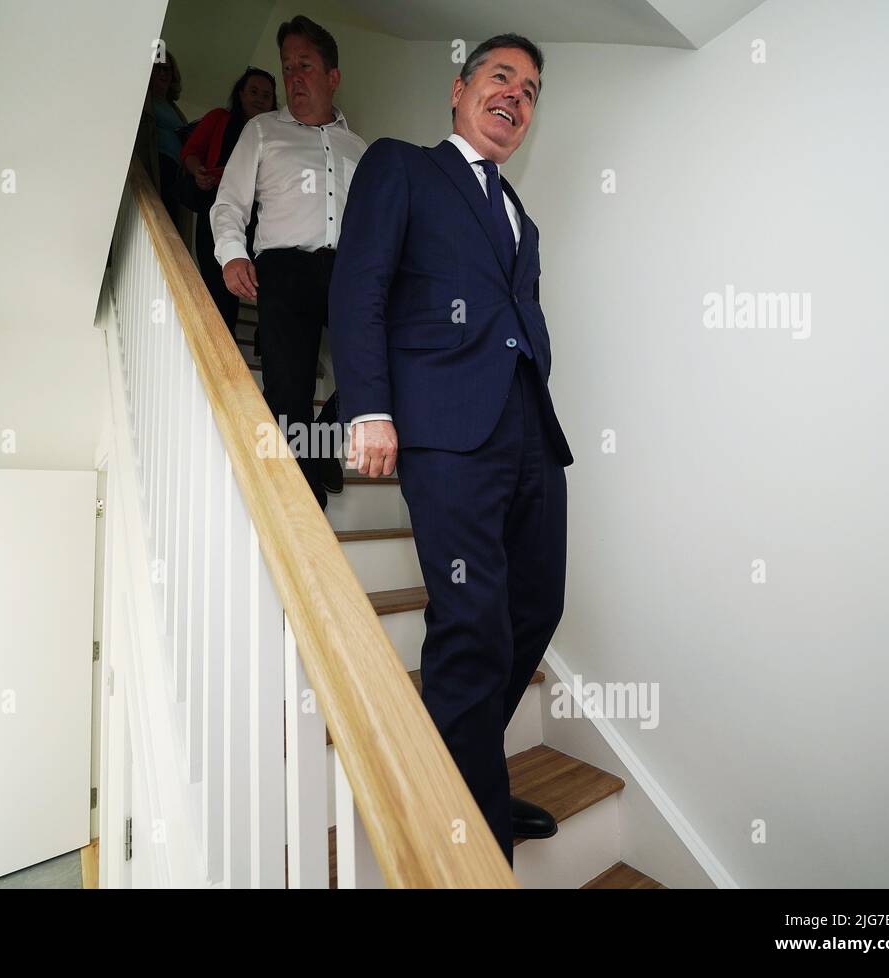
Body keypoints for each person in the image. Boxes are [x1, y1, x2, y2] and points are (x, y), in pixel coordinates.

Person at [327, 34, 574, 865]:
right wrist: (369, 408)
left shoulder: (521, 217)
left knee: (535, 608)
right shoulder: (401, 166)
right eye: (501, 77)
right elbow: (359, 284)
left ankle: (459, 771)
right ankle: (471, 837)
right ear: (459, 90)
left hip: (530, 429)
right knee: (472, 621)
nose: (516, 96)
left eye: (530, 91)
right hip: (446, 429)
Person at [211, 15, 365, 507]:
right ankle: (303, 504)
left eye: (305, 65)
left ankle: (320, 446)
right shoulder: (261, 130)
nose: (294, 77)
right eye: (287, 67)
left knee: (378, 367)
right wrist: (232, 255)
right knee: (288, 392)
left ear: (332, 76)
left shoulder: (359, 148)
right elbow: (228, 203)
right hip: (282, 270)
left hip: (346, 274)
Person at [180, 68, 277, 337]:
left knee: (267, 276)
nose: (259, 99)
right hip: (218, 203)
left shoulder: (274, 132)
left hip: (263, 212)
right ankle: (221, 339)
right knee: (219, 274)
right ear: (240, 94)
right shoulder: (219, 118)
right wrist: (199, 172)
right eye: (253, 92)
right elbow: (191, 152)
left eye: (266, 95)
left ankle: (265, 338)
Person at [135, 50, 188, 231]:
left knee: (172, 218)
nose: (163, 73)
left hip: (176, 169)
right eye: (158, 68)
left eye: (167, 69)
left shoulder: (174, 109)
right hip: (155, 162)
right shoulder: (143, 100)